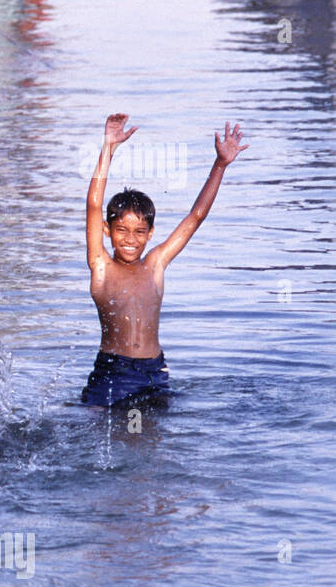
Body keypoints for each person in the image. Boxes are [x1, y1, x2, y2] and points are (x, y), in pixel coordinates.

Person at [82, 114, 248, 406]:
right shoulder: (101, 266)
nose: (130, 239)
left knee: (153, 443)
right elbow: (94, 205)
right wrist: (108, 148)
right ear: (107, 231)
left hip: (154, 372)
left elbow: (196, 216)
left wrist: (220, 165)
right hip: (113, 372)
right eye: (121, 231)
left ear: (150, 234)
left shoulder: (155, 264)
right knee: (105, 436)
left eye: (138, 232)